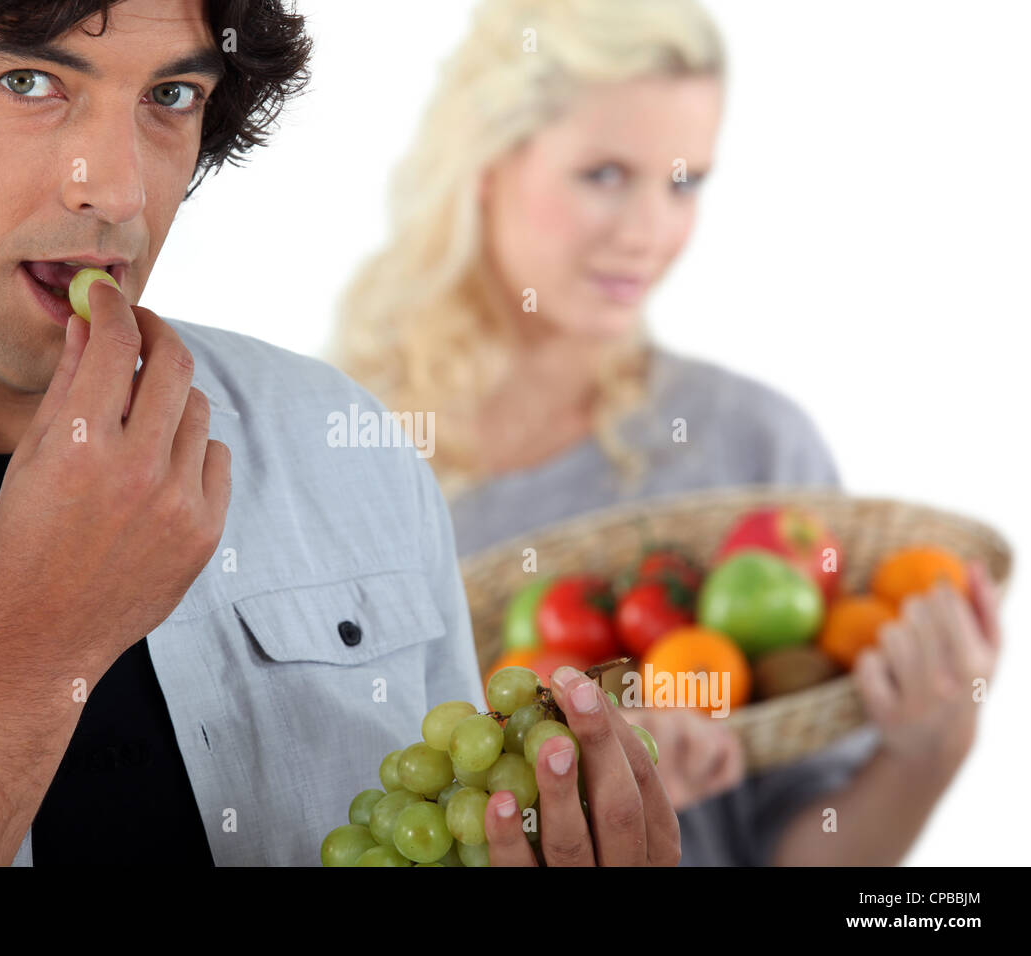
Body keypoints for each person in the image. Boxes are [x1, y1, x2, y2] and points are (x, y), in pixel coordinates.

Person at [0, 0, 676, 868]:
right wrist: (41, 646)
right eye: (29, 82)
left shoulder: (341, 445)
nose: (119, 192)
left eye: (171, 96)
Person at [332, 0, 1003, 865]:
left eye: (684, 183)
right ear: (487, 162)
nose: (651, 233)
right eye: (605, 174)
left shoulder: (753, 447)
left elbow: (810, 849)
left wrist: (928, 755)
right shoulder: (333, 451)